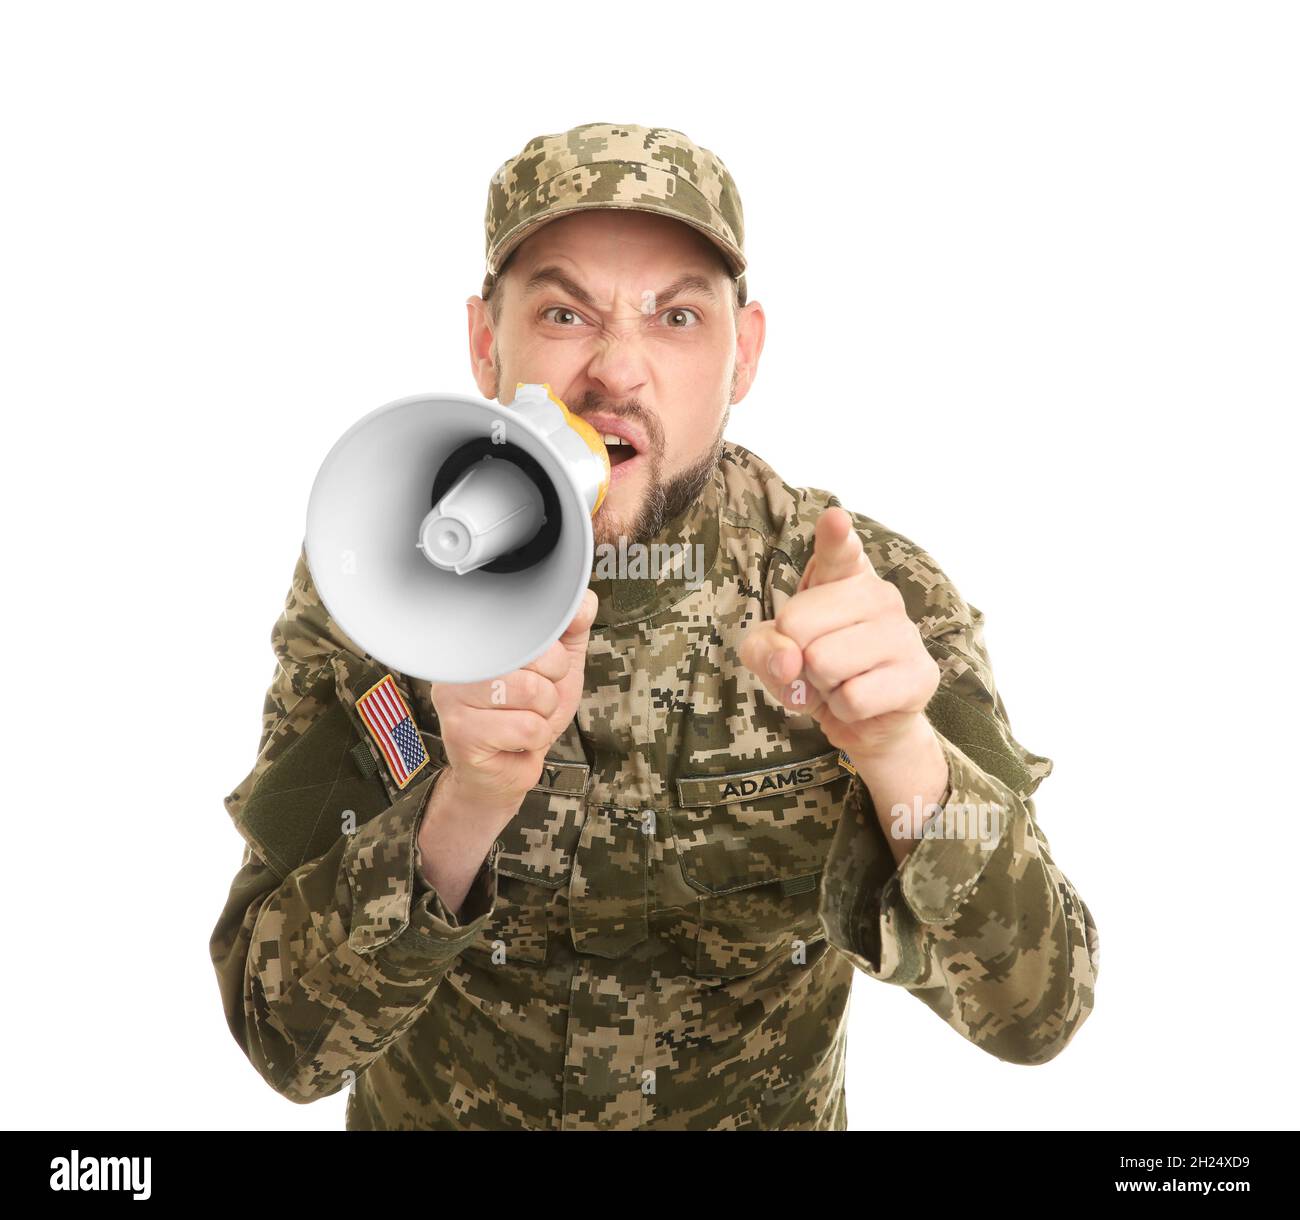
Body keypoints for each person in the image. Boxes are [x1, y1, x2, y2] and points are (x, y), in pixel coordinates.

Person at [210, 120, 1099, 1130]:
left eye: (676, 317)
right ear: (484, 342)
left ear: (743, 354)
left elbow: (1039, 1011)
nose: (617, 371)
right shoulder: (381, 576)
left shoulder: (861, 595)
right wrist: (459, 811)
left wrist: (903, 759)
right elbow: (279, 1037)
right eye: (563, 312)